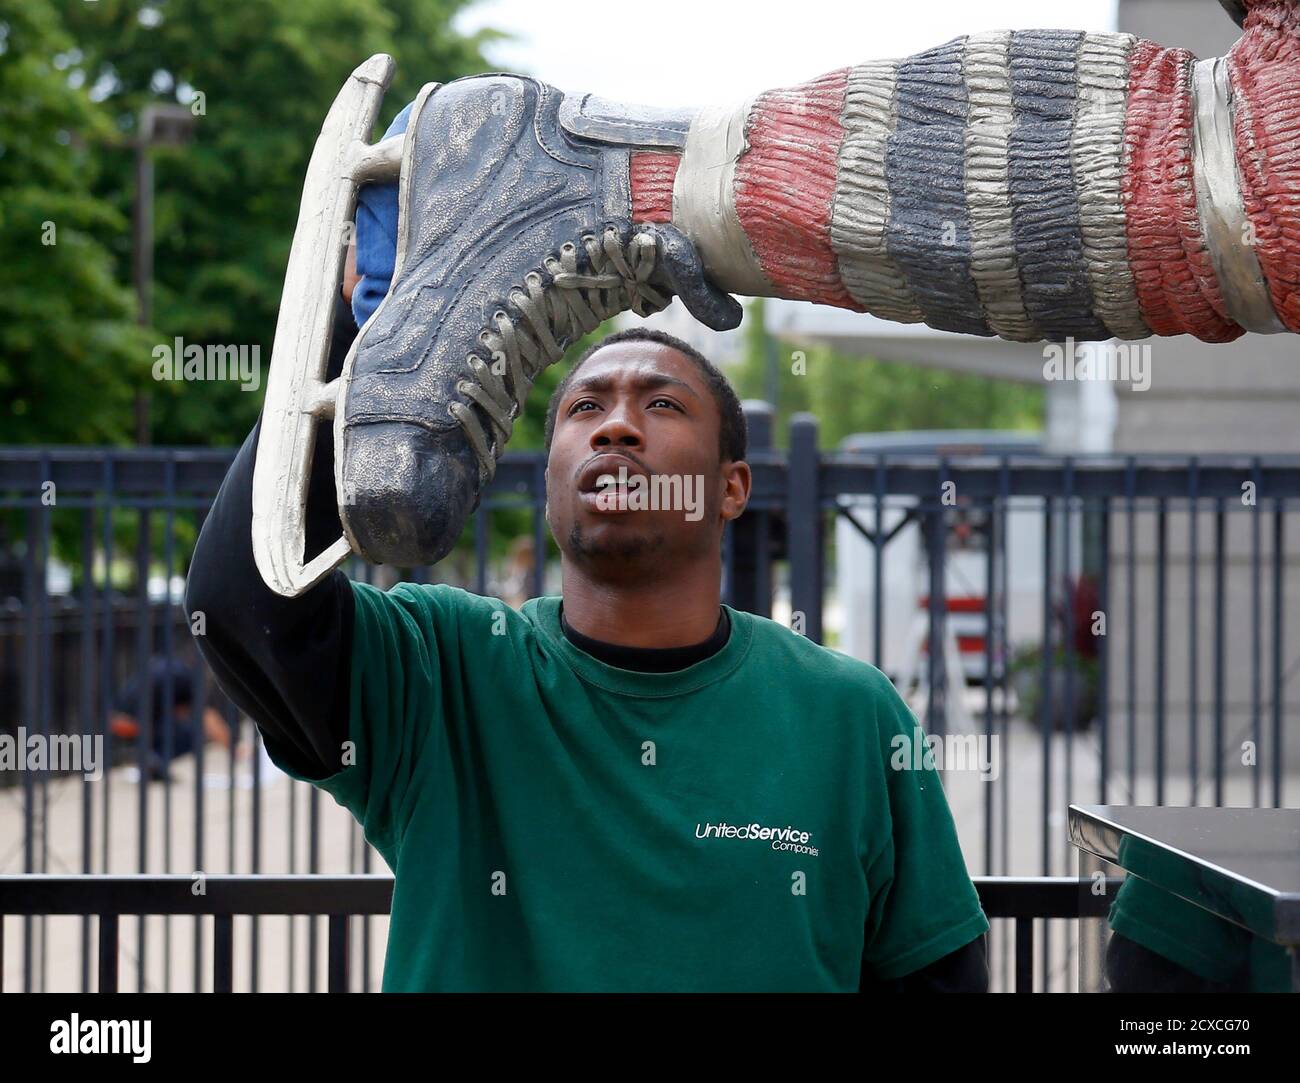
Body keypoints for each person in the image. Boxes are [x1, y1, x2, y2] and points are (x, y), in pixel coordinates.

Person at [187, 276, 990, 990]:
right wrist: (365, 322)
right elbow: (241, 601)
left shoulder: (851, 713)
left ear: (730, 488)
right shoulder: (442, 669)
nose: (617, 427)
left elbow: (937, 972)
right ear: (549, 486)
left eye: (662, 403)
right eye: (585, 407)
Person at [109, 656, 236, 781]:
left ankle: (152, 759)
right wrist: (233, 748)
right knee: (192, 734)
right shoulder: (186, 679)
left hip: (118, 720)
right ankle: (155, 759)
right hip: (130, 724)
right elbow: (207, 718)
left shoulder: (167, 668)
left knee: (173, 726)